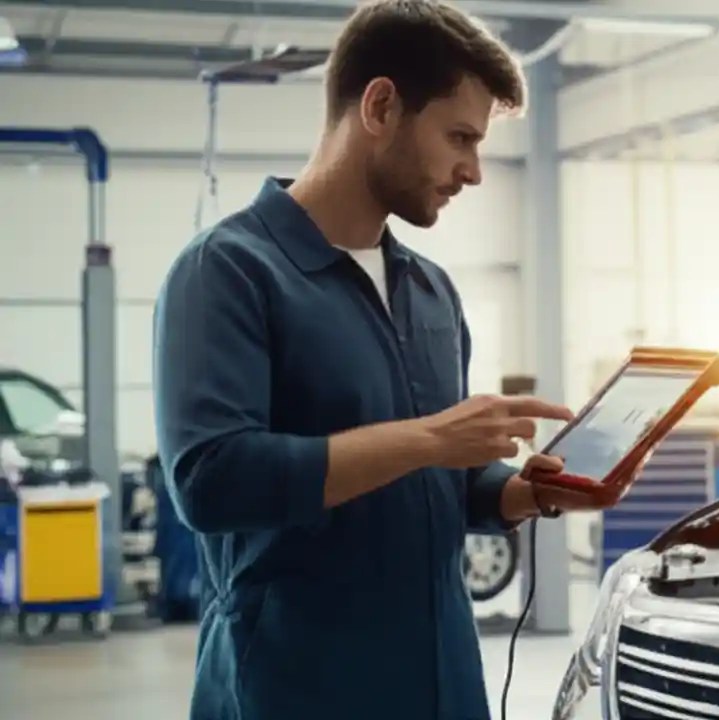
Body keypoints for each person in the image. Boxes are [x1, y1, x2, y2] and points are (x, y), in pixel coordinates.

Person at [151, 2, 617, 718]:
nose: (474, 170)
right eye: (459, 136)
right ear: (380, 106)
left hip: (442, 688)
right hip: (294, 693)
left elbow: (438, 482)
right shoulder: (227, 272)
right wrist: (432, 437)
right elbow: (211, 482)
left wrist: (528, 492)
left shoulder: (431, 292)